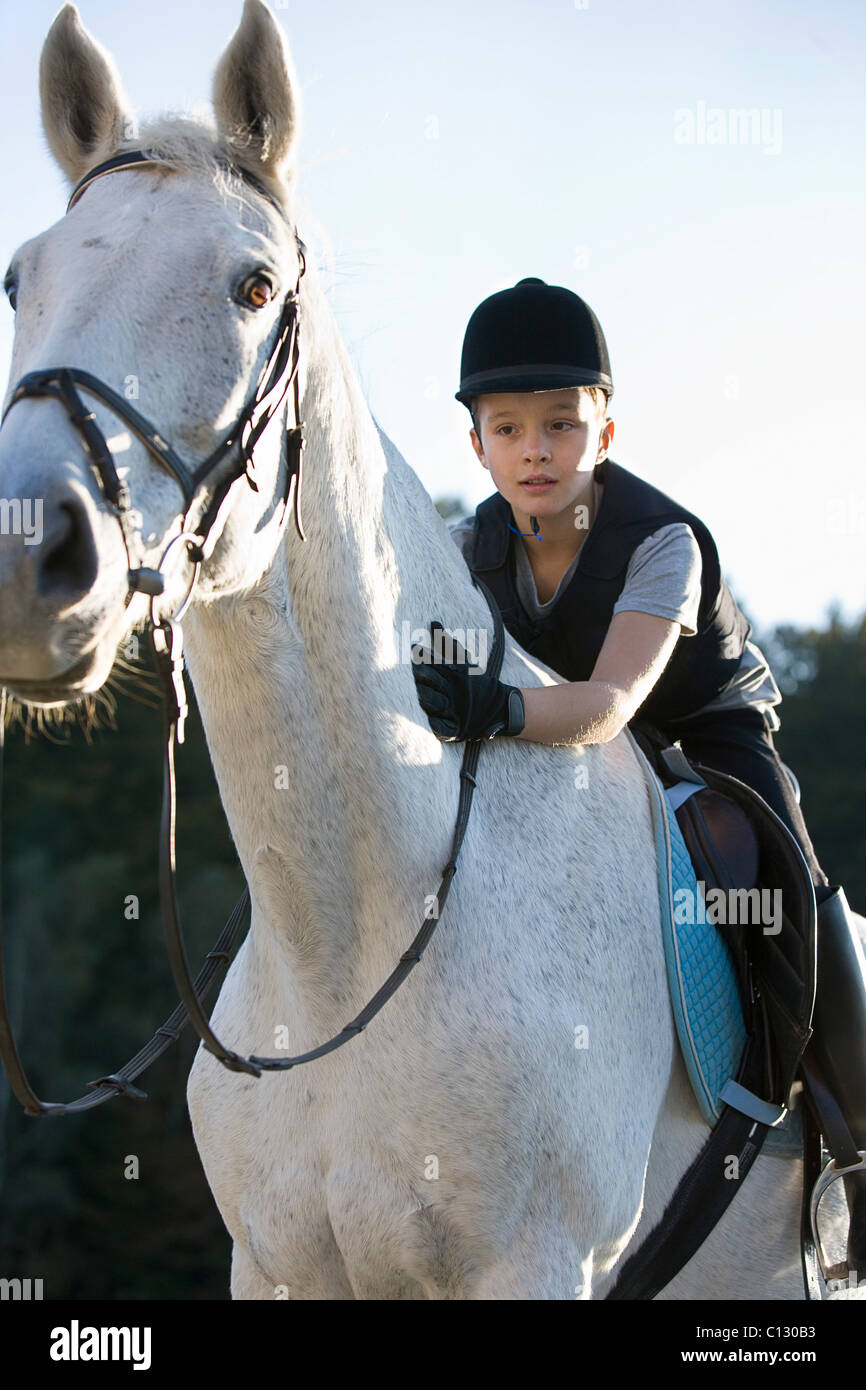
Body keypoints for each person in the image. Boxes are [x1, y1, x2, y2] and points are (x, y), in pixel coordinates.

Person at [411, 276, 866, 1274]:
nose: (536, 448)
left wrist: (495, 712)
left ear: (603, 432)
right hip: (541, 750)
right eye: (509, 427)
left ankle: (855, 1143)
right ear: (475, 444)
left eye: (561, 425)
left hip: (697, 733)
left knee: (783, 880)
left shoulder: (662, 541)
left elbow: (609, 705)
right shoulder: (461, 548)